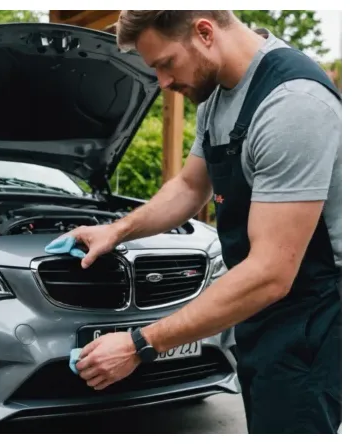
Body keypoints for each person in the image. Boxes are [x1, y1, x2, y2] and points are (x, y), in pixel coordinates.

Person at [53, 11, 341, 434]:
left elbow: (271, 273)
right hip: (263, 315)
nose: (164, 83)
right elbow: (190, 186)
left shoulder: (292, 105)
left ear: (204, 32)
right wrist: (115, 230)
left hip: (312, 319)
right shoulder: (219, 97)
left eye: (165, 63)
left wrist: (139, 344)